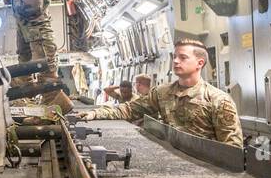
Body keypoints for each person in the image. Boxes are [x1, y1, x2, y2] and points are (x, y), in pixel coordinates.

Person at [79, 41, 243, 146]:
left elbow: (232, 149)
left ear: (200, 63)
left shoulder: (218, 100)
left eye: (183, 57)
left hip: (205, 166)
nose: (176, 61)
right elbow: (128, 109)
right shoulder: (161, 93)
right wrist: (95, 113)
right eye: (174, 57)